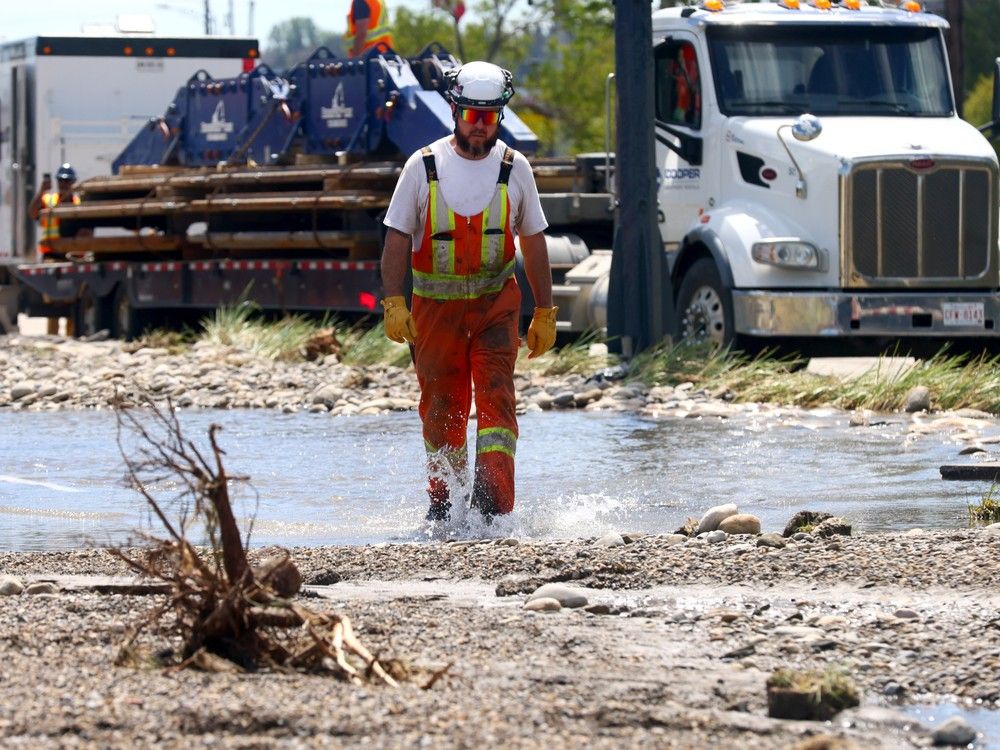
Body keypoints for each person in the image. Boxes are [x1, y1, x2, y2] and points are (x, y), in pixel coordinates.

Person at [379, 61, 556, 523]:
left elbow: (534, 241)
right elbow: (396, 237)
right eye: (471, 116)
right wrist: (394, 301)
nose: (480, 127)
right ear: (454, 110)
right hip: (435, 314)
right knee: (442, 409)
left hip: (496, 307)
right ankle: (446, 507)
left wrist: (545, 311)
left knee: (497, 401)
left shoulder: (516, 170)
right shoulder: (422, 167)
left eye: (490, 117)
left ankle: (492, 510)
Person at [28, 163, 82, 335]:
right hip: (51, 257)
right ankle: (53, 337)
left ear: (73, 182)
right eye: (61, 181)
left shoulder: (78, 203)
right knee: (53, 299)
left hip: (72, 258)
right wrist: (42, 191)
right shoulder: (49, 200)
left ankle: (71, 337)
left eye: (67, 181)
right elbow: (32, 213)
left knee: (72, 300)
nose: (64, 184)